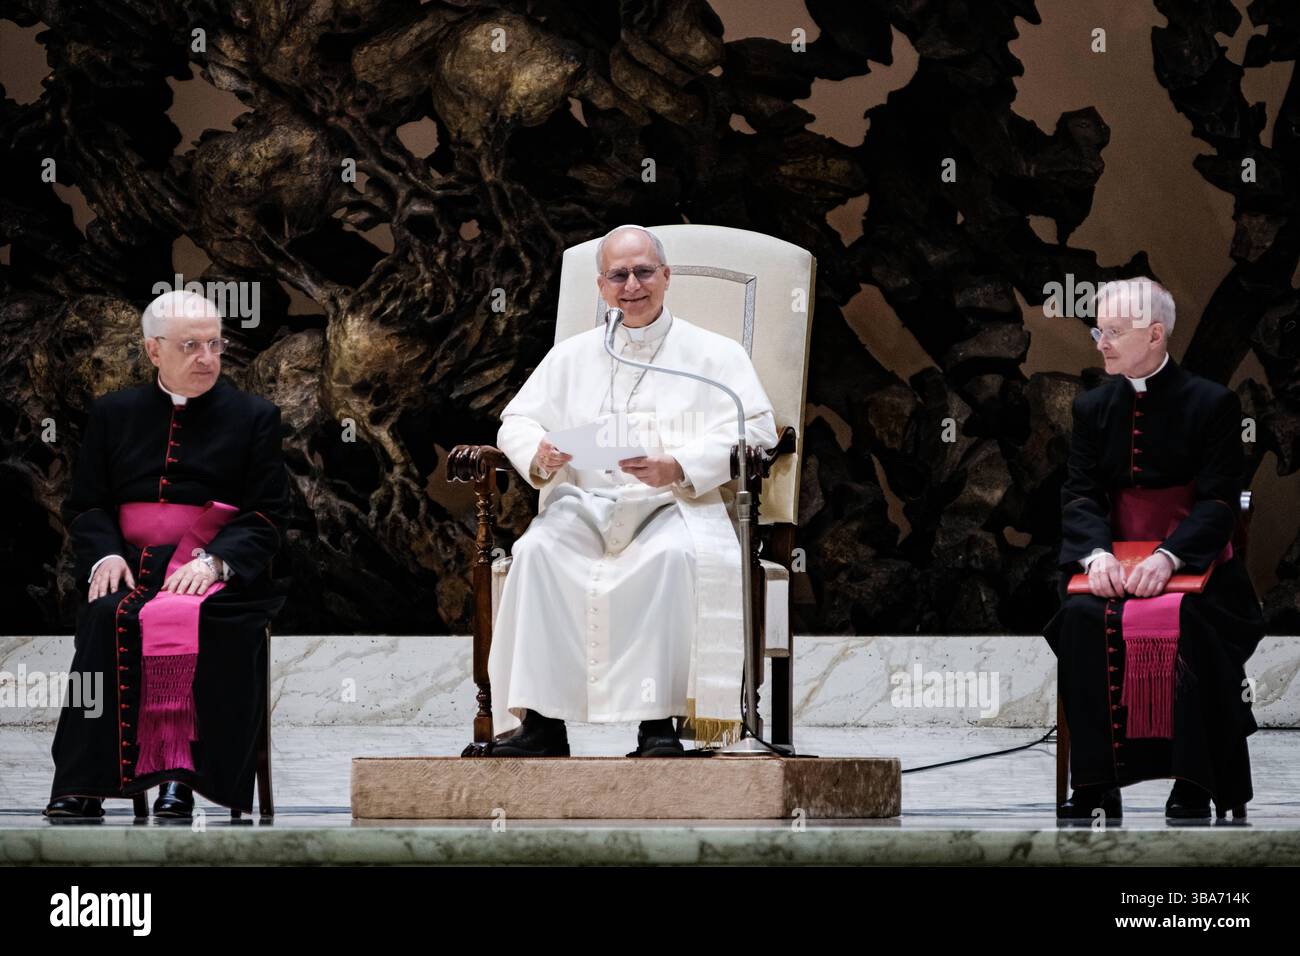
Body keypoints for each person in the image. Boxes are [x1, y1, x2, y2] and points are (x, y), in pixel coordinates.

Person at [488, 224, 778, 756]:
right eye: (618, 275)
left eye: (644, 272)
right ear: (601, 286)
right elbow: (517, 421)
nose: (632, 285)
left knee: (668, 560)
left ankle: (658, 726)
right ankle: (543, 724)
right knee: (535, 553)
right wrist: (541, 451)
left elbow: (757, 430)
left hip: (671, 506)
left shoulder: (715, 355)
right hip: (584, 505)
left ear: (666, 277)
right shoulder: (572, 356)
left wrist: (681, 465)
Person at [44, 290, 289, 818]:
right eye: (190, 346)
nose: (207, 358)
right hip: (131, 566)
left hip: (216, 573)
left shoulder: (255, 416)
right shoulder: (113, 413)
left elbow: (269, 514)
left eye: (215, 344)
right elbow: (86, 505)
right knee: (106, 615)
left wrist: (215, 562)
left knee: (209, 620)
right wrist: (105, 555)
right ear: (154, 351)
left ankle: (180, 776)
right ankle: (82, 782)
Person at [1045, 277, 1264, 820]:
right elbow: (1080, 492)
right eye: (1100, 329)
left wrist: (1169, 558)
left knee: (1190, 620)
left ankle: (1193, 782)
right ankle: (1095, 785)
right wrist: (1096, 558)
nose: (1102, 342)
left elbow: (1218, 502)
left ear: (1156, 335)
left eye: (1115, 331)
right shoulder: (1092, 407)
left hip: (1199, 567)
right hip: (1113, 566)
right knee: (1078, 617)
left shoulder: (1213, 403)